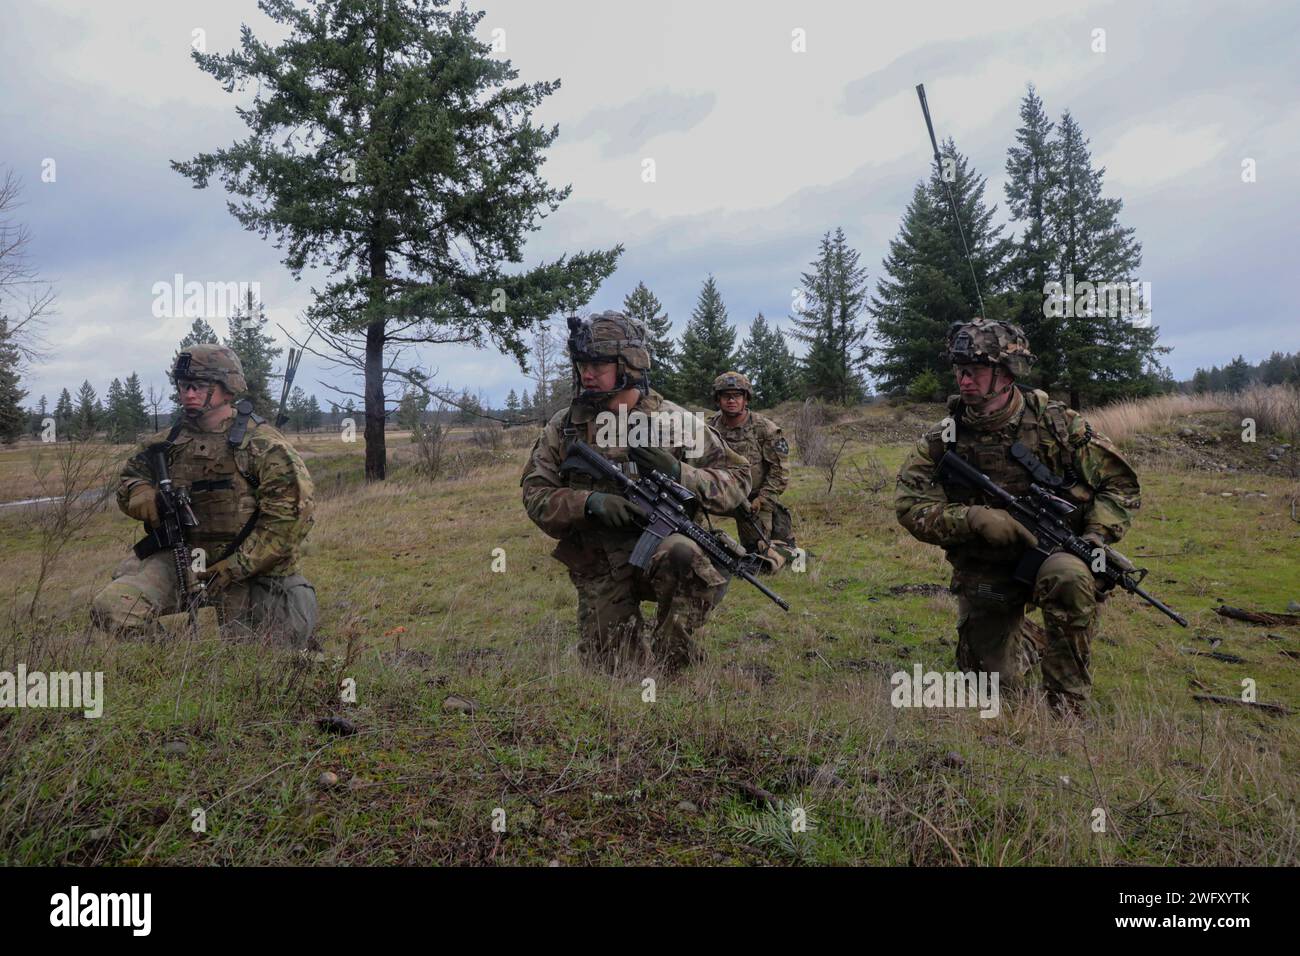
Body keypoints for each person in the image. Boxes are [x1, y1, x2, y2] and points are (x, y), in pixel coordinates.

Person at [894, 318, 1140, 716]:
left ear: (1006, 374)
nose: (964, 379)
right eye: (959, 370)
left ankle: (1066, 703)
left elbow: (1121, 486)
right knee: (990, 689)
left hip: (1055, 555)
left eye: (974, 370)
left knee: (1070, 577)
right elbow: (910, 505)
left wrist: (1095, 536)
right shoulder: (944, 438)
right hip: (986, 569)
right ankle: (1026, 638)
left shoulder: (1059, 424)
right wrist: (972, 519)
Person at [521, 311, 751, 674]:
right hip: (598, 564)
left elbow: (738, 481)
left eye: (598, 363)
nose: (587, 374)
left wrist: (680, 473)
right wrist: (589, 504)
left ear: (629, 364)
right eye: (582, 363)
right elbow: (535, 494)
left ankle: (673, 651)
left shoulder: (675, 423)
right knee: (613, 672)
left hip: (662, 553)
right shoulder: (566, 426)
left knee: (684, 553)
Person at [91, 344, 318, 647]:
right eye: (183, 386)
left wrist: (236, 566)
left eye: (198, 386)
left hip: (251, 569)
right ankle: (172, 664)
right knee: (113, 607)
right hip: (183, 561)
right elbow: (130, 480)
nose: (188, 394)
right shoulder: (166, 444)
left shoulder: (262, 444)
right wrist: (144, 495)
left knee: (260, 660)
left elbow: (290, 519)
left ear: (227, 388)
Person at [705, 371, 793, 571]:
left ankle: (781, 547)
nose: (731, 400)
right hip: (717, 494)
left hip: (752, 501)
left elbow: (780, 472)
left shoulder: (765, 429)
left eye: (737, 395)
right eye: (725, 396)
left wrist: (763, 499)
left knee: (759, 553)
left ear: (746, 398)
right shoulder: (708, 429)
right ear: (718, 399)